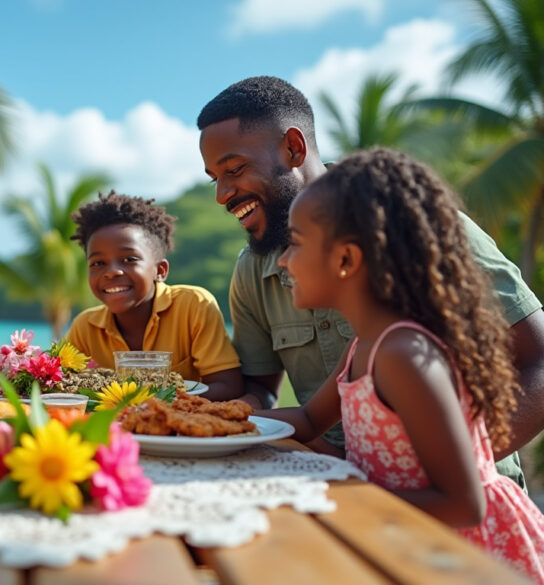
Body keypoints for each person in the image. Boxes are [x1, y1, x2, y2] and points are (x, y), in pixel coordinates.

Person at [197, 76, 544, 477]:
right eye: (213, 179)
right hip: (343, 485)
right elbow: (267, 396)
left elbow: (538, 359)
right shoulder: (252, 269)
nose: (221, 195)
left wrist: (451, 466)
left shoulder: (421, 228)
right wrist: (198, 418)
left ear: (293, 148)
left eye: (235, 169)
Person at [264, 148, 544, 581]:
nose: (283, 259)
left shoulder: (403, 354)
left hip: (463, 554)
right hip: (406, 536)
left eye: (295, 243)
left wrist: (332, 500)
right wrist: (217, 422)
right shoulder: (364, 346)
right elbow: (305, 419)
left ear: (346, 260)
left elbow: (462, 502)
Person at [66, 191, 242, 398]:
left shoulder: (193, 306)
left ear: (160, 271)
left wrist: (156, 406)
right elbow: (66, 392)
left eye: (129, 259)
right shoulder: (85, 328)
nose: (112, 271)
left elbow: (228, 387)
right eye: (98, 263)